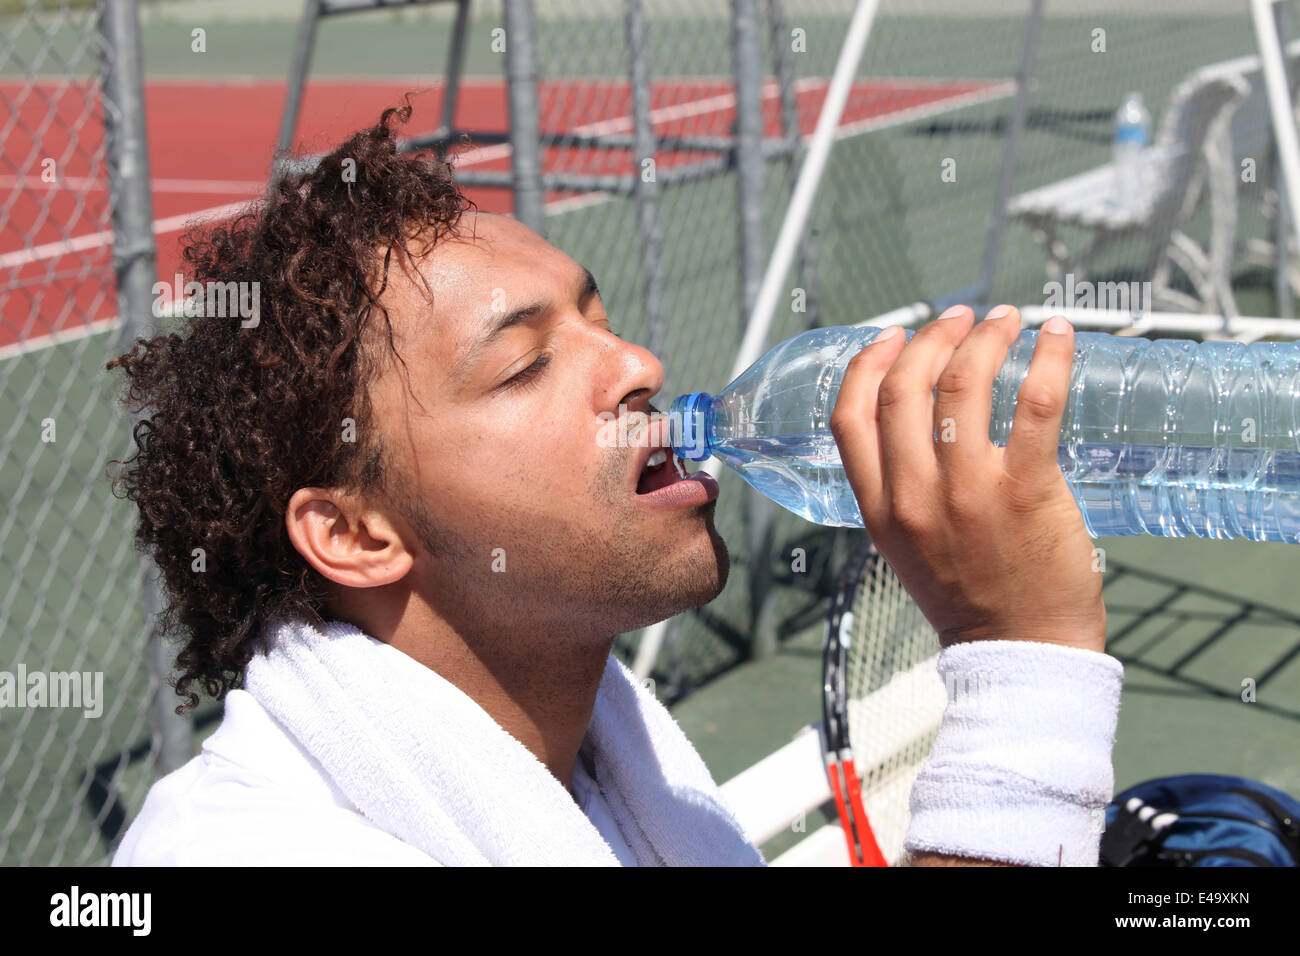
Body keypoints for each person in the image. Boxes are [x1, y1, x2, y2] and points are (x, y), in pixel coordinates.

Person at [109, 104, 1120, 867]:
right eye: (524, 364)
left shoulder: (597, 773)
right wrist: (1020, 668)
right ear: (356, 532)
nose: (635, 362)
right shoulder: (241, 847)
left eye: (598, 317)